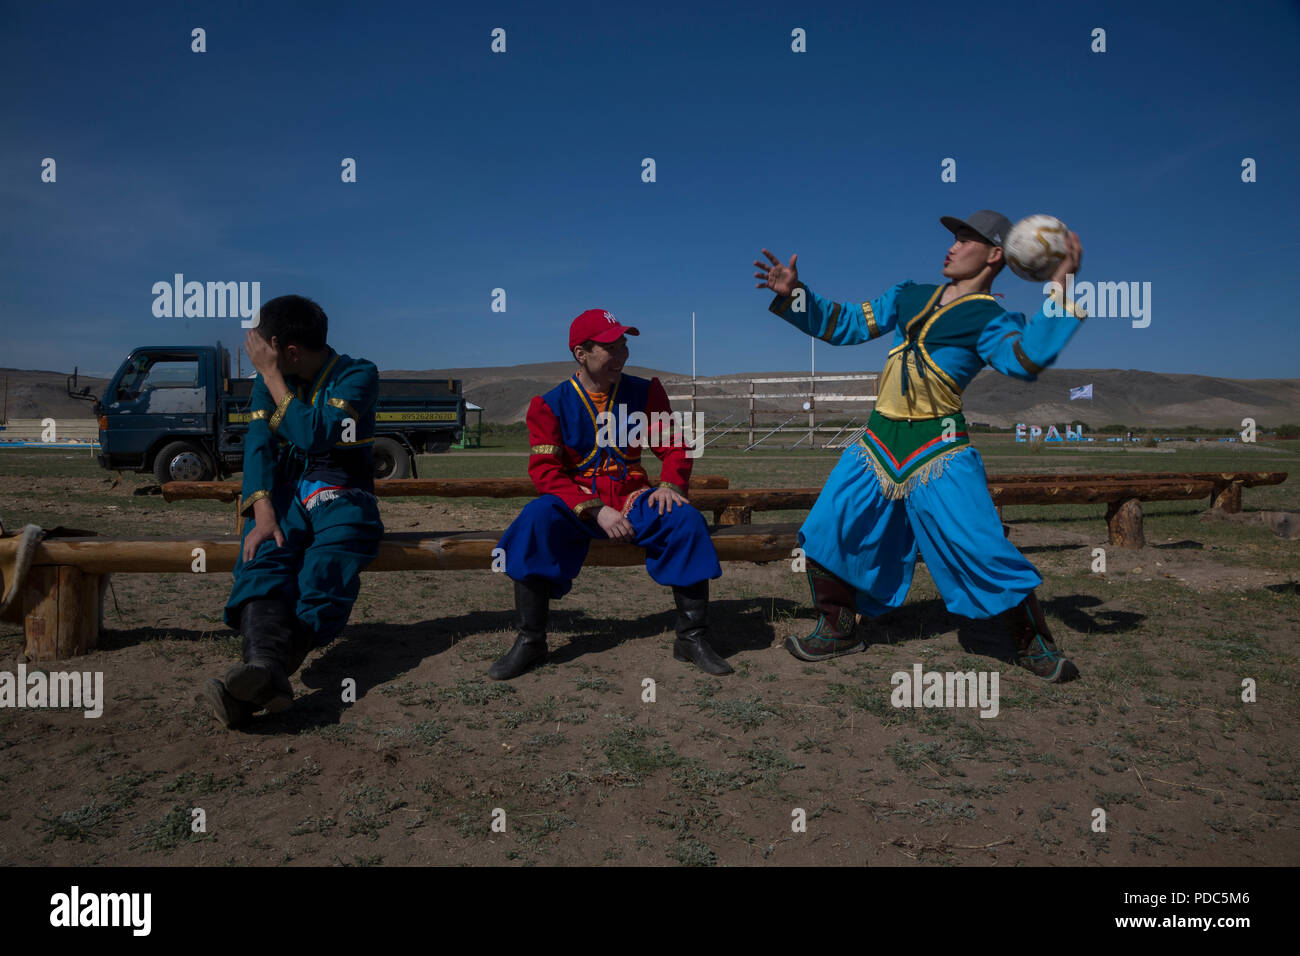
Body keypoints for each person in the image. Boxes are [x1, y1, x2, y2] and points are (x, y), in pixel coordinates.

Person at [754, 210, 1085, 682]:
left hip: (939, 449)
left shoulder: (989, 318)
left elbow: (1023, 359)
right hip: (878, 441)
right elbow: (848, 323)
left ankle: (1033, 643)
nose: (952, 245)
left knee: (981, 546)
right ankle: (838, 627)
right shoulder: (908, 295)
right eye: (953, 235)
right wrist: (796, 296)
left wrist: (1063, 289)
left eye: (966, 238)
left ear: (995, 255)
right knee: (829, 529)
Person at [489, 309, 730, 680]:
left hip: (634, 497)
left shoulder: (644, 391)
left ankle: (691, 637)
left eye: (624, 346)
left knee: (684, 519)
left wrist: (669, 485)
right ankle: (531, 640)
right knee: (535, 520)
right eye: (609, 348)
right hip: (578, 501)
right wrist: (594, 509)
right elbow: (546, 472)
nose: (621, 355)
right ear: (580, 353)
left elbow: (674, 445)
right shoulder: (550, 404)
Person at [201, 295, 384, 727]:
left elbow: (314, 435)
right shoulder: (273, 377)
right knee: (261, 556)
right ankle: (264, 668)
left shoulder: (358, 374)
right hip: (284, 492)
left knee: (327, 564)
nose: (260, 361)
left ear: (290, 351)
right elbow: (259, 443)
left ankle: (258, 681)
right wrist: (262, 510)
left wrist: (269, 373)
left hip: (343, 490)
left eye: (266, 352)